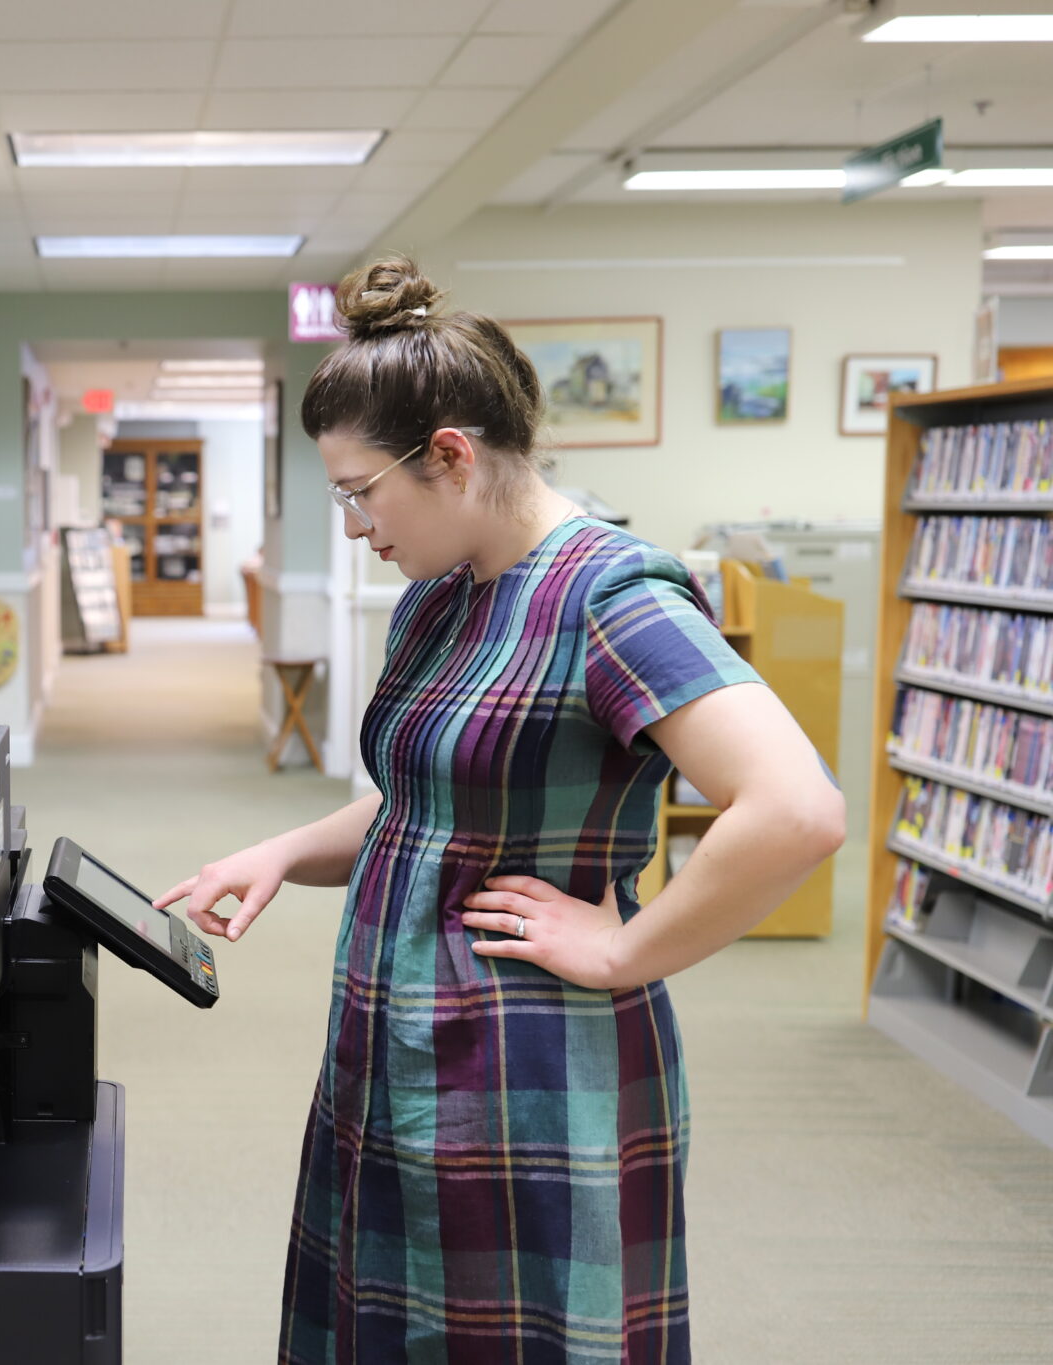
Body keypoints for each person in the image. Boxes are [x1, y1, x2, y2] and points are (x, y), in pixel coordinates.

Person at [154, 257, 844, 1365]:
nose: (351, 526)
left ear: (451, 458)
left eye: (357, 493)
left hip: (523, 1069)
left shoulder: (608, 597)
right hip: (393, 1042)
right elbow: (421, 802)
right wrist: (283, 849)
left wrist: (625, 951)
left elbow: (794, 811)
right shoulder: (445, 591)